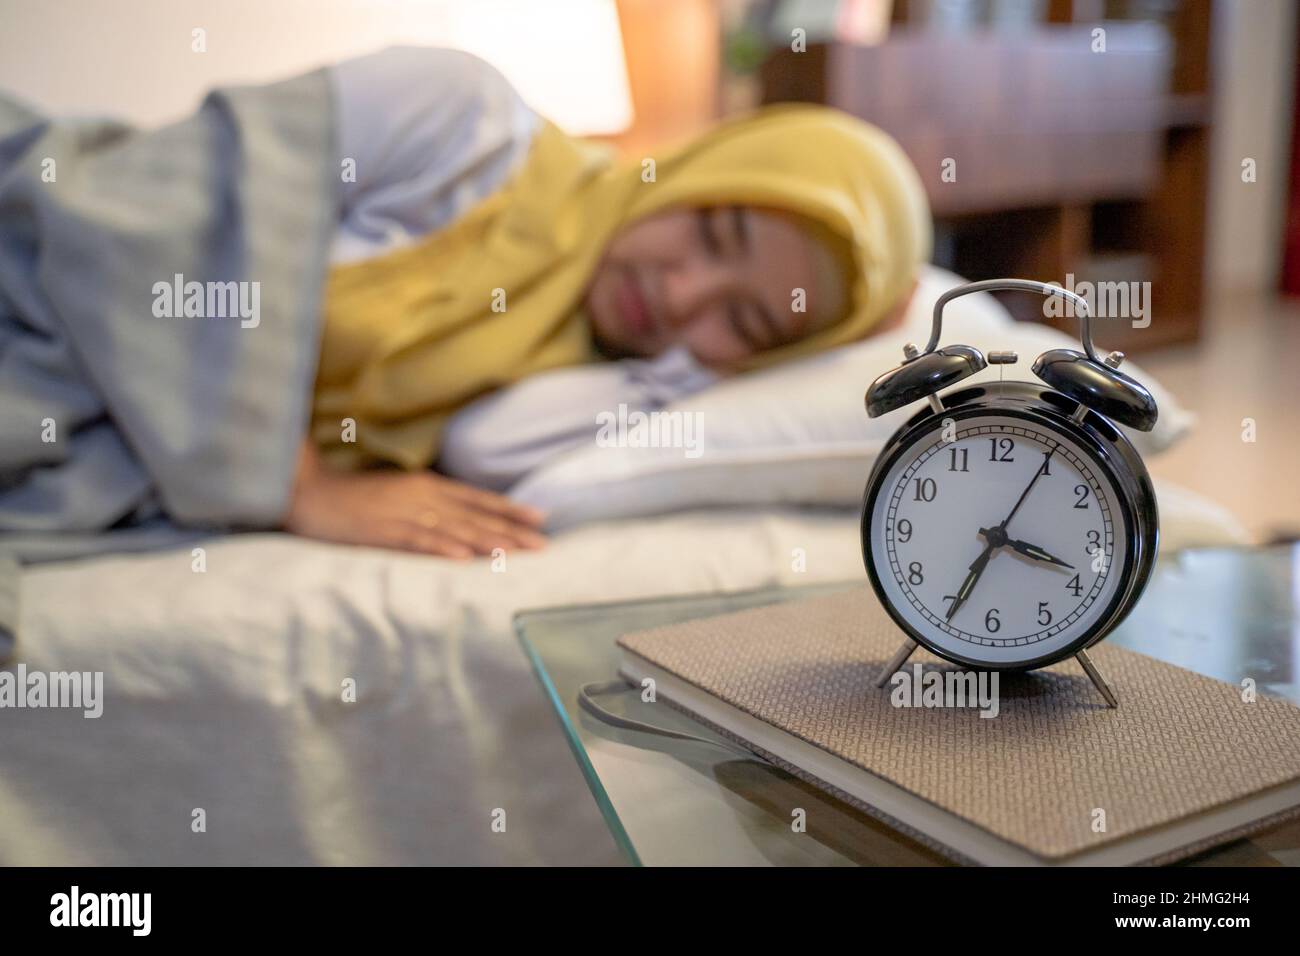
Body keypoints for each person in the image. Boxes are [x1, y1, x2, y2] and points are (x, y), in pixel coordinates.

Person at [285, 47, 931, 558]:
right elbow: (210, 235)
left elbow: (483, 446)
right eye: (712, 231)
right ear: (702, 162)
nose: (681, 296)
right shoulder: (463, 122)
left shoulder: (586, 363)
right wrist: (303, 487)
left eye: (743, 319)